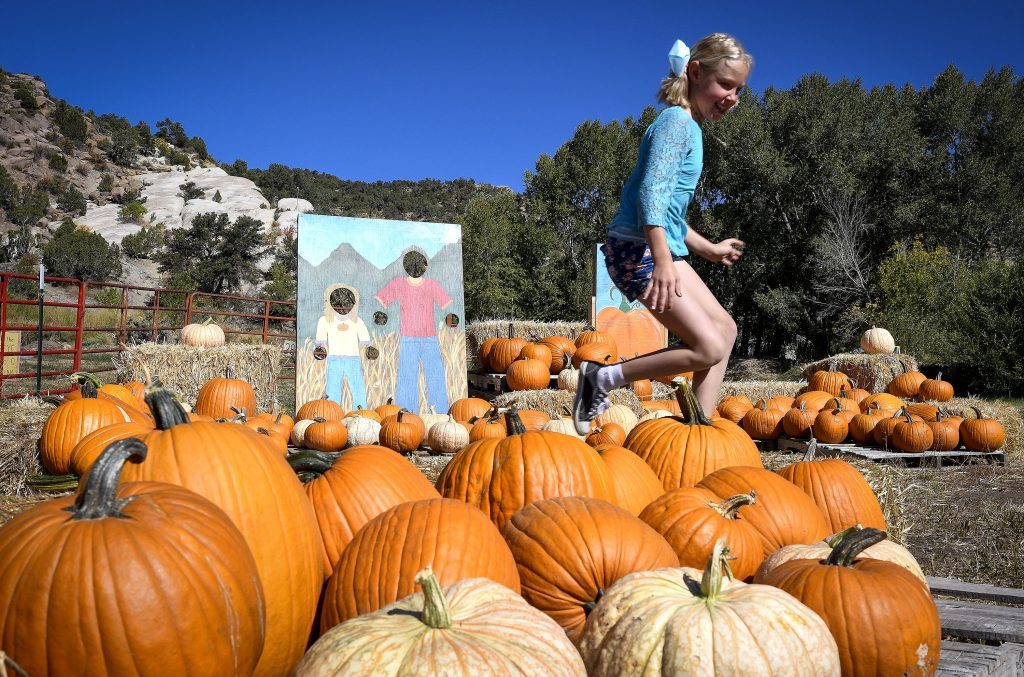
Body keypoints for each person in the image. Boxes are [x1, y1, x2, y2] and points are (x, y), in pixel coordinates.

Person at [573, 33, 752, 434]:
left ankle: (698, 434)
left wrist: (706, 248)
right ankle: (602, 378)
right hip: (638, 251)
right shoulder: (676, 123)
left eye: (739, 88)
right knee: (706, 347)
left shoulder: (690, 128)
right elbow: (650, 196)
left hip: (655, 247)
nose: (733, 96)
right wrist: (665, 261)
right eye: (725, 84)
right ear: (694, 72)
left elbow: (668, 211)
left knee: (725, 332)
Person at [374, 249, 453, 412]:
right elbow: (380, 301)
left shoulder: (431, 285)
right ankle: (408, 414)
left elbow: (447, 305)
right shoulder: (398, 283)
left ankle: (441, 413)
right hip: (408, 338)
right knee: (407, 377)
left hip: (429, 337)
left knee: (435, 376)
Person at [313, 284, 370, 408]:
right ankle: (333, 415)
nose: (343, 307)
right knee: (332, 390)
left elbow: (365, 342)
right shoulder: (324, 321)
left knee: (358, 389)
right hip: (334, 359)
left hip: (353, 359)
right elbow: (320, 342)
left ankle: (361, 413)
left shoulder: (357, 321)